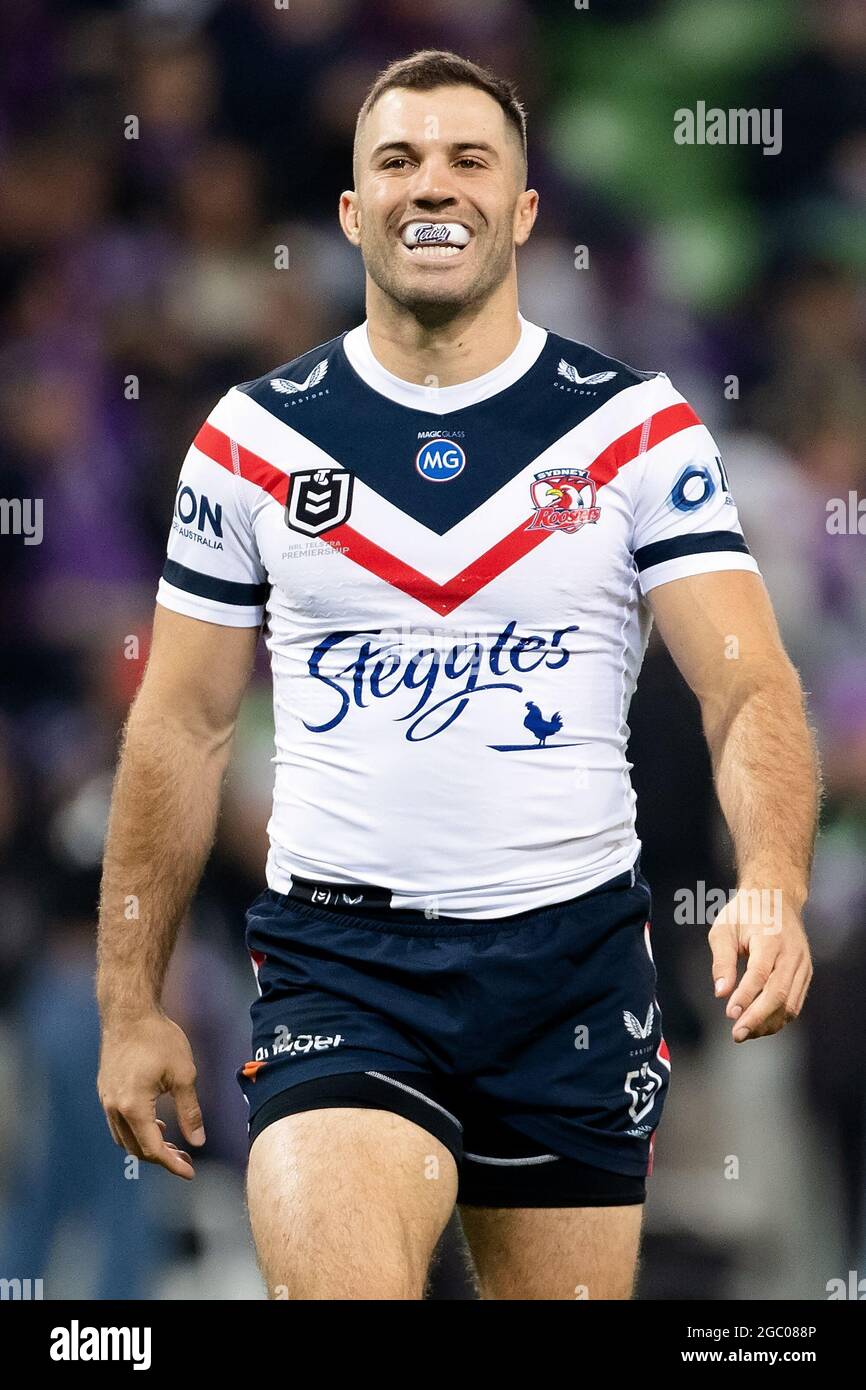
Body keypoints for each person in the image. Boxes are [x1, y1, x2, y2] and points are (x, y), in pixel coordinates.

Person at [96, 50, 819, 1301]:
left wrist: (770, 881)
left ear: (524, 210)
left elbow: (746, 684)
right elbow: (179, 725)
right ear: (350, 212)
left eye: (469, 159)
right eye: (398, 160)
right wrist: (129, 1000)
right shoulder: (252, 438)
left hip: (574, 970)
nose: (434, 185)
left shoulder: (635, 429)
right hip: (343, 969)